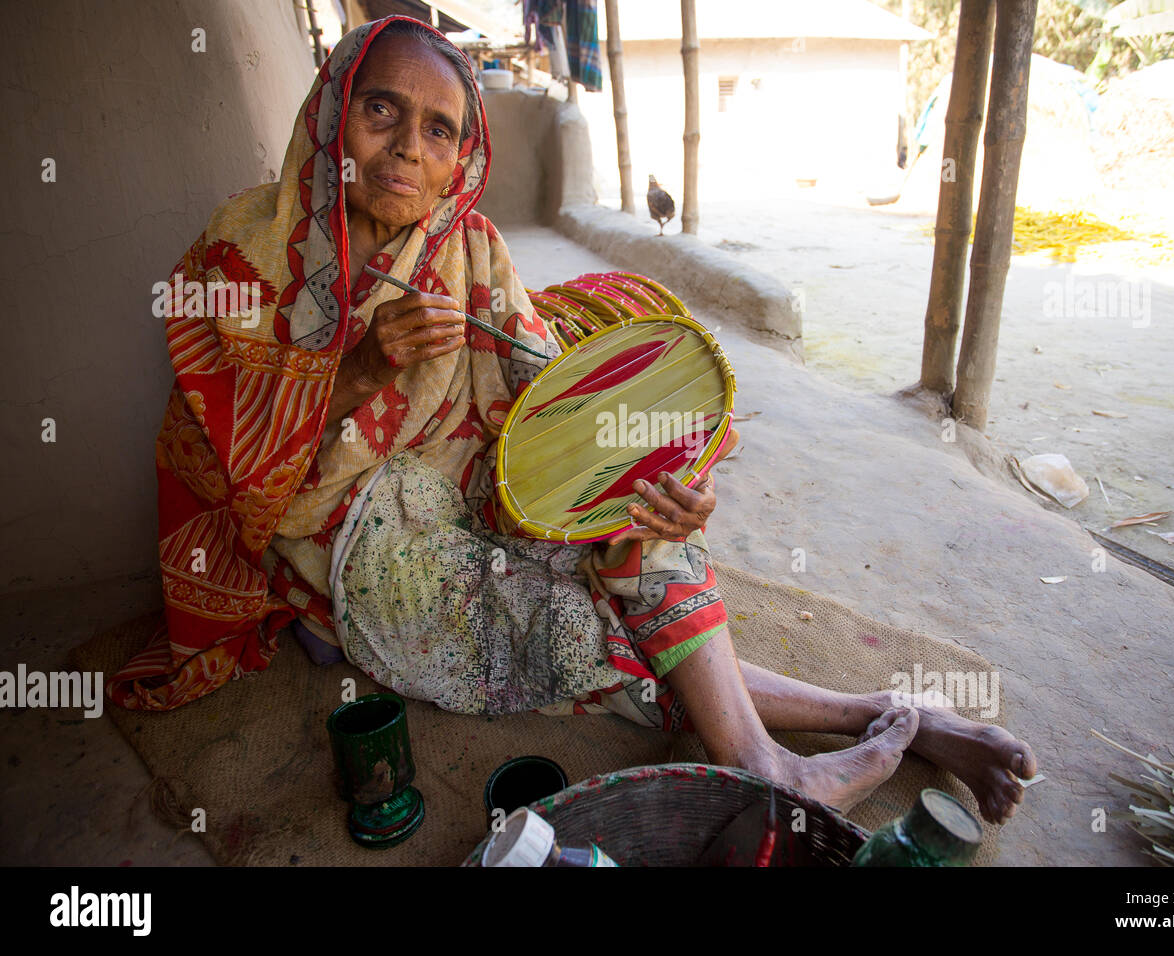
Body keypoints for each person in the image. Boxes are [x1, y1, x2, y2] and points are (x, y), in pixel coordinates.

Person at [111, 15, 1035, 823]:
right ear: (331, 110)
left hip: (477, 480)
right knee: (562, 625)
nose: (408, 150)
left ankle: (790, 749)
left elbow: (557, 398)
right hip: (353, 534)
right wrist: (355, 369)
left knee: (635, 507)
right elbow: (237, 476)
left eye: (440, 130)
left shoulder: (466, 246)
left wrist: (665, 479)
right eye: (382, 110)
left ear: (461, 157)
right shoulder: (238, 257)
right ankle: (851, 722)